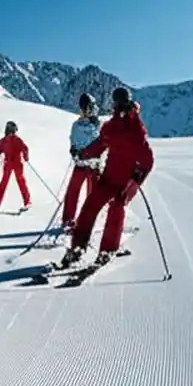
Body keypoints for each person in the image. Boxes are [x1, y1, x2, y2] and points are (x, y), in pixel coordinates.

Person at [57, 87, 153, 269]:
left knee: (116, 208)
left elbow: (147, 159)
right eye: (116, 103)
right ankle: (77, 247)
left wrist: (137, 178)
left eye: (118, 102)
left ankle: (107, 250)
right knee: (90, 207)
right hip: (109, 177)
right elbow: (99, 145)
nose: (116, 106)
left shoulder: (136, 128)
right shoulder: (111, 126)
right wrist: (83, 153)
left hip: (125, 181)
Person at [62, 92, 102, 229]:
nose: (84, 111)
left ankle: (86, 220)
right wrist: (73, 149)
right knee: (72, 191)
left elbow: (103, 144)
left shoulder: (98, 125)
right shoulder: (76, 125)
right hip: (80, 164)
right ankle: (68, 220)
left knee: (92, 194)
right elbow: (73, 140)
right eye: (82, 108)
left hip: (94, 165)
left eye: (86, 108)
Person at [0, 120, 30, 213]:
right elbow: (25, 148)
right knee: (19, 181)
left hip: (11, 163)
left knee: (7, 182)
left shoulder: (5, 140)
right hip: (13, 163)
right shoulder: (14, 139)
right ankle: (27, 201)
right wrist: (26, 157)